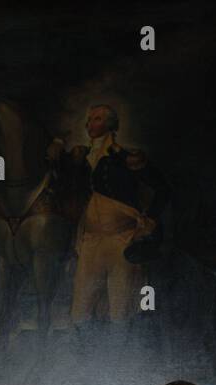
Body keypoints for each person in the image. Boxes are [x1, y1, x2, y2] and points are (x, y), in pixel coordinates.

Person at [51, 104, 170, 326]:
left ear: (110, 124)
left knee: (120, 309)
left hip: (121, 240)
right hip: (90, 240)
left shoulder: (126, 158)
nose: (89, 124)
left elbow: (163, 188)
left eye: (96, 119)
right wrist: (58, 146)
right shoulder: (81, 157)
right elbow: (61, 179)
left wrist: (150, 220)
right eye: (89, 120)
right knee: (80, 312)